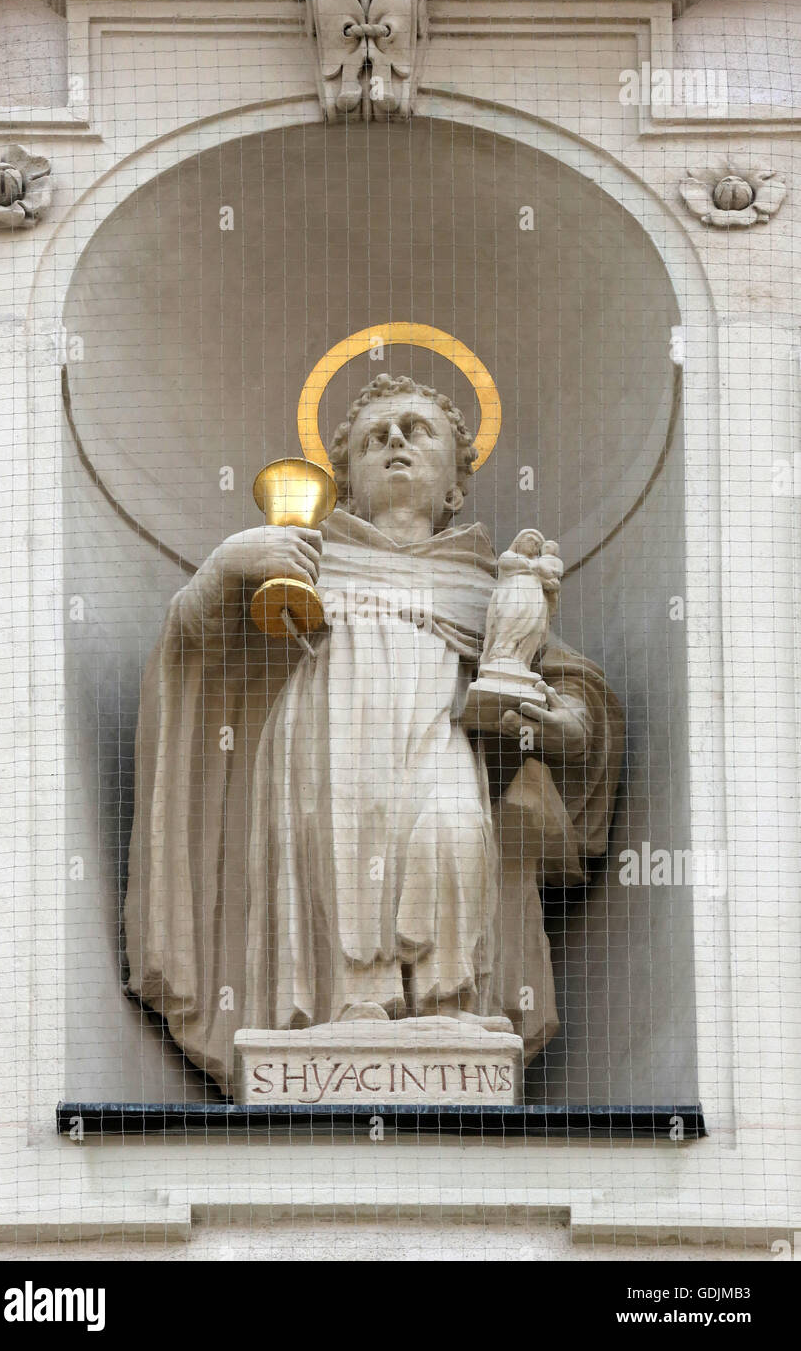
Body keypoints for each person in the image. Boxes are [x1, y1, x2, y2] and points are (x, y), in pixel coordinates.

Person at [125, 374, 623, 1096]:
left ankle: (450, 1005)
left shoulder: (488, 581)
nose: (394, 440)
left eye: (417, 429)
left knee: (454, 835)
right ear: (345, 484)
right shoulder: (303, 560)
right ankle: (346, 1008)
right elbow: (195, 655)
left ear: (455, 482)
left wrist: (566, 725)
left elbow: (569, 691)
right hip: (325, 737)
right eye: (373, 436)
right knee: (340, 841)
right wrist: (226, 567)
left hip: (440, 735)